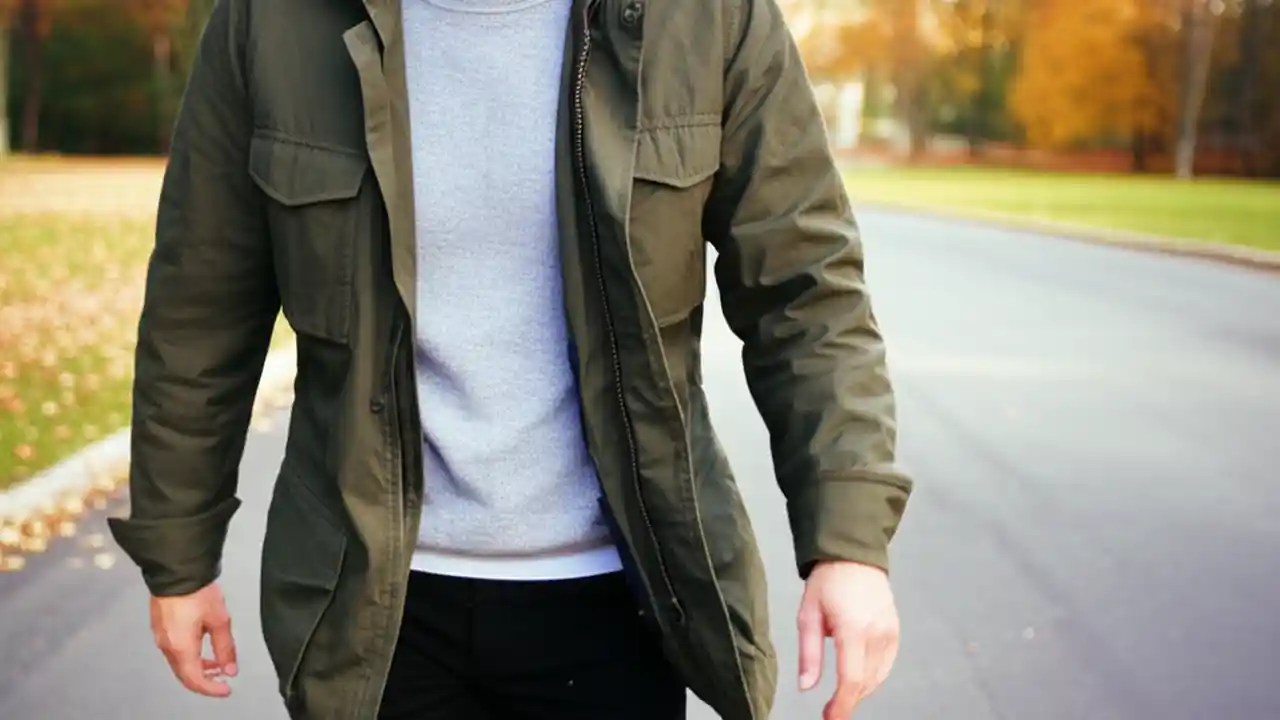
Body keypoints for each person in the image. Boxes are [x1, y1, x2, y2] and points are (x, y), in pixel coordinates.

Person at [108, 0, 912, 718]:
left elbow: (807, 297)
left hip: (616, 609)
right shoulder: (271, 21)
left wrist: (847, 541)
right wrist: (178, 556)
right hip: (370, 616)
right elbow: (199, 310)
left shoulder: (707, 18)